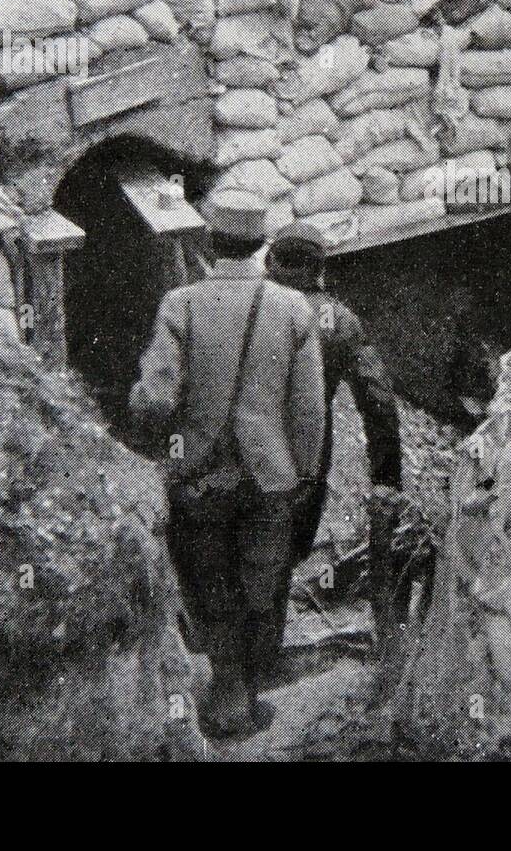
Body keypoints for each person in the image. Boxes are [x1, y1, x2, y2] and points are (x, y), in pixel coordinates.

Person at [129, 223, 325, 740]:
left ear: (211, 246)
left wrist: (147, 425)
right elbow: (308, 409)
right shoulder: (293, 308)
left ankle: (226, 693)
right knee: (260, 584)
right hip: (269, 477)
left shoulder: (180, 304)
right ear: (261, 245)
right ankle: (245, 695)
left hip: (197, 475)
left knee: (210, 584)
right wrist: (301, 472)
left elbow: (155, 401)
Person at [264, 222, 403, 646]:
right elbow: (379, 403)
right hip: (306, 456)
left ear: (272, 263)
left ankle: (243, 666)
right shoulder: (338, 321)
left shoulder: (244, 305)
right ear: (320, 270)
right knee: (282, 553)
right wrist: (386, 480)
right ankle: (264, 658)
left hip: (239, 449)